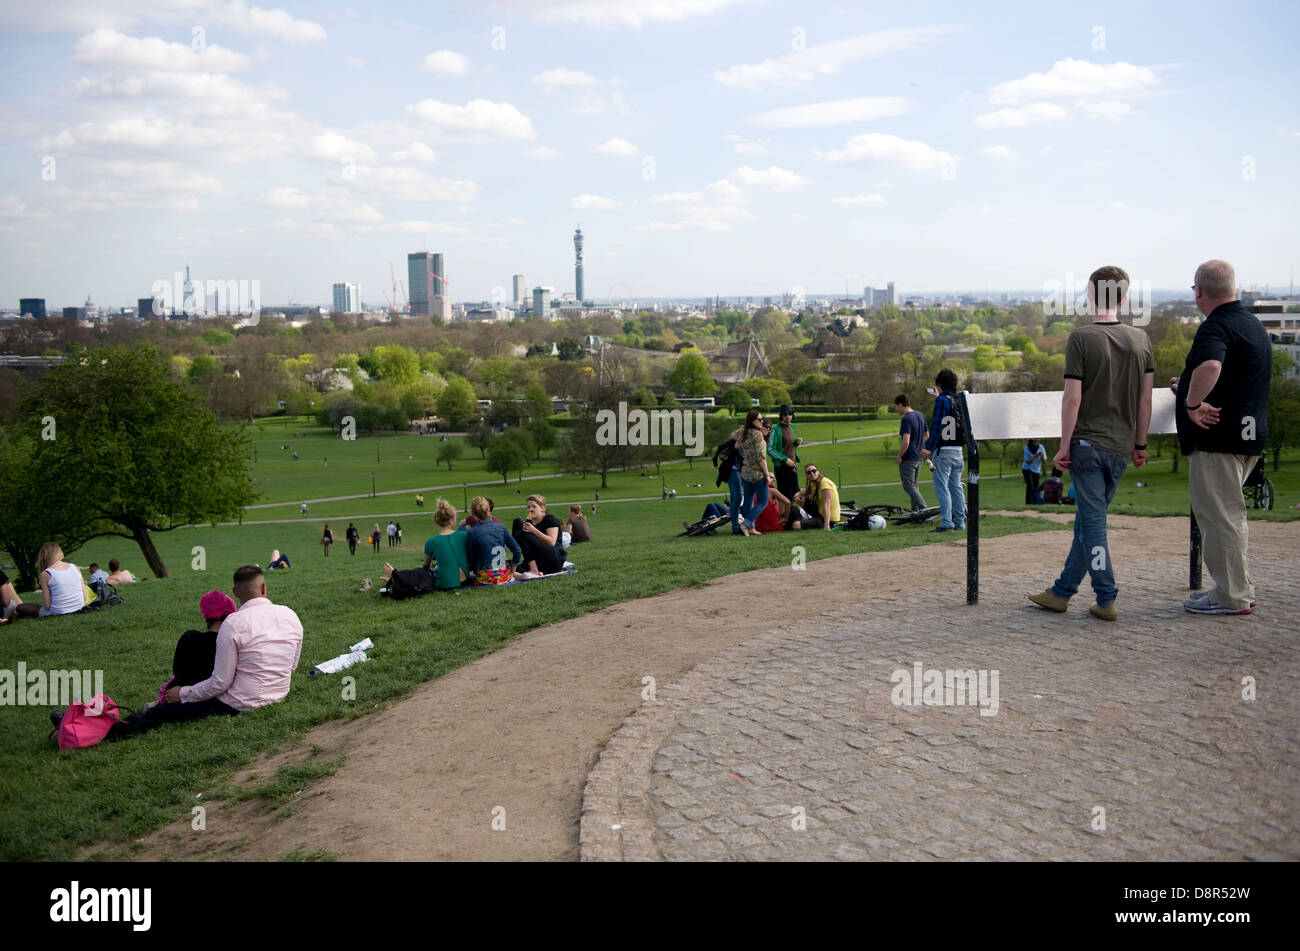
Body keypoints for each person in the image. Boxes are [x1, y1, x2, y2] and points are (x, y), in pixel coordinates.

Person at [1028, 265, 1153, 622]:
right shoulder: (1141, 341)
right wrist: (1140, 444)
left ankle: (1106, 596)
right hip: (1120, 447)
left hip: (1086, 445)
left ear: (1089, 294)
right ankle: (1061, 592)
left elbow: (1072, 400)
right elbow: (1145, 401)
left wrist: (1064, 446)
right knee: (1089, 521)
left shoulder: (1081, 339)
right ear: (1125, 298)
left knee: (1093, 525)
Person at [1174, 259, 1271, 615]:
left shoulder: (1216, 326)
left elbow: (1212, 366)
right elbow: (1231, 375)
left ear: (1199, 291)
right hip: (1249, 436)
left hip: (1218, 440)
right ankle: (1235, 588)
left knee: (1220, 518)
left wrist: (1192, 403)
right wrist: (1185, 386)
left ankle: (1231, 596)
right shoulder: (1251, 325)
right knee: (1230, 515)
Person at [106, 566, 303, 740]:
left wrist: (182, 693)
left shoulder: (233, 623)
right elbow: (291, 666)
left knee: (164, 711)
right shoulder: (290, 615)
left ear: (234, 592)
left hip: (238, 704)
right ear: (264, 588)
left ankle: (115, 732)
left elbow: (220, 683)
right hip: (279, 694)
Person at [919, 368, 966, 533]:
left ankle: (946, 521)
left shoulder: (941, 401)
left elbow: (938, 425)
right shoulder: (960, 399)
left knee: (941, 487)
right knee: (956, 486)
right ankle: (960, 521)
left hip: (944, 451)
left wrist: (928, 448)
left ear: (939, 385)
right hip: (958, 450)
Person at [7, 544, 84, 621]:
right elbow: (85, 597)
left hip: (58, 612)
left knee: (20, 607)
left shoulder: (46, 574)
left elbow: (47, 606)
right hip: (79, 607)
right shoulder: (75, 567)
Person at [466, 496, 523, 585]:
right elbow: (517, 551)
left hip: (485, 578)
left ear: (473, 513)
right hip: (503, 576)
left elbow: (470, 558)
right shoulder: (501, 528)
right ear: (489, 510)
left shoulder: (472, 532)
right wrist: (512, 571)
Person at [736, 410, 771, 536]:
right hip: (757, 473)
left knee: (748, 501)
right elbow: (762, 458)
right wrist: (767, 475)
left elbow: (736, 446)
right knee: (762, 501)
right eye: (760, 420)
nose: (762, 421)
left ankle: (750, 528)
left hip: (746, 471)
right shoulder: (757, 435)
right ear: (752, 421)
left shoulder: (743, 432)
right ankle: (746, 524)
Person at [512, 494, 565, 575]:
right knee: (508, 564)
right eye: (528, 507)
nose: (531, 509)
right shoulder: (530, 521)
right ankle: (536, 572)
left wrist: (534, 530)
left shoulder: (549, 519)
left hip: (554, 559)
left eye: (534, 506)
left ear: (542, 508)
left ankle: (533, 570)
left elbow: (552, 542)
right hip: (539, 560)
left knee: (520, 535)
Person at [892, 394, 928, 512]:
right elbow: (927, 435)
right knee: (914, 484)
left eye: (896, 406)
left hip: (909, 457)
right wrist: (918, 444)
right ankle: (916, 511)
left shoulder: (906, 419)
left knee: (908, 485)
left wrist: (899, 456)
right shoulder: (920, 415)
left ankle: (923, 508)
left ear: (901, 404)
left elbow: (906, 442)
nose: (896, 409)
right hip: (919, 456)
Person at [712, 425, 745, 536]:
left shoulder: (733, 443)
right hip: (733, 471)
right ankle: (735, 526)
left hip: (735, 471)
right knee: (737, 497)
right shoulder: (736, 443)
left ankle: (735, 525)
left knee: (735, 497)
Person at [790, 463, 841, 531]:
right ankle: (808, 521)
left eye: (814, 471)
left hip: (829, 520)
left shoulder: (824, 483)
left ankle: (807, 521)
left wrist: (826, 525)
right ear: (806, 475)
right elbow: (803, 492)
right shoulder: (814, 483)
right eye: (808, 472)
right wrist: (796, 497)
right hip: (820, 514)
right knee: (801, 499)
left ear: (818, 472)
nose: (812, 473)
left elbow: (827, 505)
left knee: (796, 526)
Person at [767, 404, 802, 502]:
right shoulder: (776, 429)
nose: (788, 417)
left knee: (796, 494)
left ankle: (790, 515)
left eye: (790, 414)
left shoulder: (791, 426)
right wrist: (785, 459)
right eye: (785, 414)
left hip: (792, 465)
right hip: (782, 468)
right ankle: (785, 516)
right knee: (785, 496)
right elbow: (770, 450)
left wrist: (796, 443)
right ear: (781, 416)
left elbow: (788, 445)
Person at [1022, 439, 1048, 504]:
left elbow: (1044, 462)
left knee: (1036, 487)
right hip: (1027, 469)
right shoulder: (1026, 449)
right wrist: (1035, 456)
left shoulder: (1041, 447)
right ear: (1031, 442)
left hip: (1036, 470)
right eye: (1035, 441)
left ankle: (1035, 503)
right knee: (1030, 486)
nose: (1037, 443)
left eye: (1038, 441)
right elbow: (1028, 462)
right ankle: (1028, 503)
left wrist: (1042, 456)